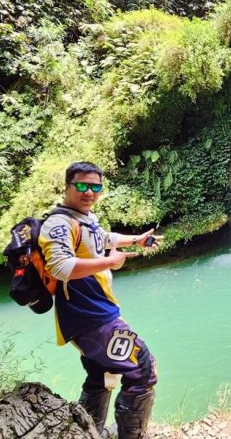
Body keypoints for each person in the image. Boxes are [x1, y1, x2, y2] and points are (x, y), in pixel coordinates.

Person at [38, 161, 159, 439]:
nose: (89, 192)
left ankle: (88, 432)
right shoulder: (59, 223)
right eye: (81, 185)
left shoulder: (84, 219)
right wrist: (110, 261)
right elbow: (59, 267)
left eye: (95, 187)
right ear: (67, 187)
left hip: (93, 315)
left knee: (101, 376)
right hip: (91, 319)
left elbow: (102, 237)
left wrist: (135, 240)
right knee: (143, 368)